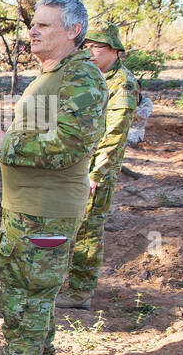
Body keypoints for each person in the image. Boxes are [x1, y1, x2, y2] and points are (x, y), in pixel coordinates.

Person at [0, 0, 106, 355]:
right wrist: (7, 141)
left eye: (45, 25)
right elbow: (41, 133)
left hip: (46, 210)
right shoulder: (54, 74)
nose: (34, 30)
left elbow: (68, 145)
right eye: (34, 24)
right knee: (26, 288)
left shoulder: (82, 78)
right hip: (28, 205)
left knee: (28, 293)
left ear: (73, 31)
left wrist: (8, 143)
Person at [57, 23, 139, 310]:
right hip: (79, 163)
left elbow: (115, 135)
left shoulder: (123, 85)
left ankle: (80, 292)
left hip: (97, 170)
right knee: (73, 223)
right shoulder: (95, 77)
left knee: (89, 228)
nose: (90, 52)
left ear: (115, 51)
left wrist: (96, 175)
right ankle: (70, 282)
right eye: (87, 46)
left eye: (97, 47)